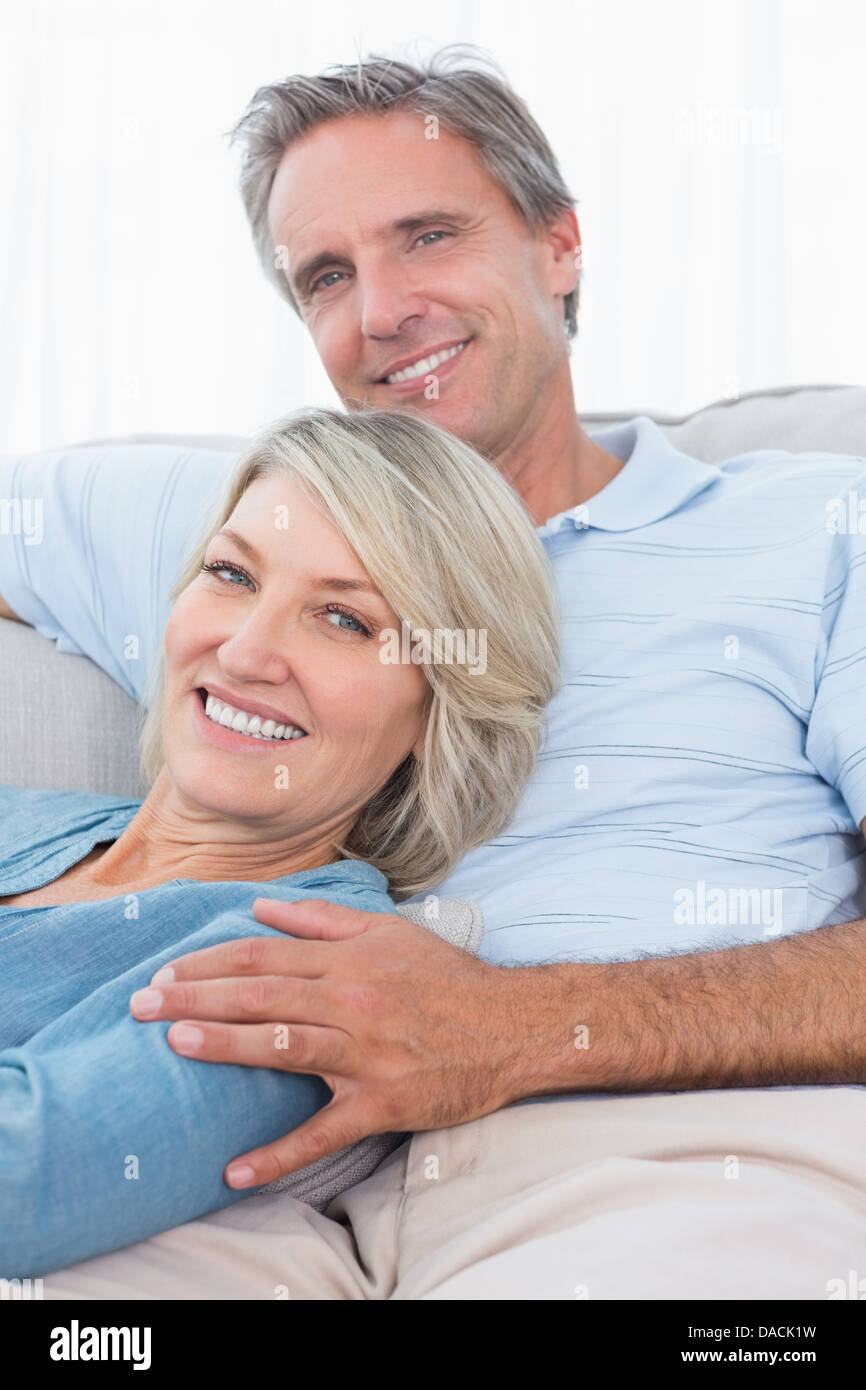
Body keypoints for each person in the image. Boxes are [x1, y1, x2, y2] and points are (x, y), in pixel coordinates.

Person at [2, 45, 865, 1299]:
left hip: (636, 1145)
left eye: (427, 236)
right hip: (240, 1170)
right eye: (327, 275)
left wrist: (513, 1027)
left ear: (559, 245)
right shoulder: (238, 511)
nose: (381, 311)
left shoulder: (818, 530)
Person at [0, 404, 560, 1276]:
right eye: (231, 573)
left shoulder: (319, 964)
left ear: (438, 711)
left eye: (345, 621)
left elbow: (24, 1180)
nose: (248, 651)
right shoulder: (31, 818)